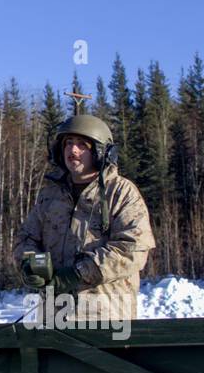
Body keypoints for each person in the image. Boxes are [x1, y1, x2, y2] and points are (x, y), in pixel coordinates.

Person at [13, 114, 154, 322]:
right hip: (55, 319)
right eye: (68, 143)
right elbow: (25, 239)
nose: (73, 150)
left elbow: (133, 248)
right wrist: (31, 265)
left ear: (100, 152)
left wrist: (78, 273)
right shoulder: (50, 196)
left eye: (82, 145)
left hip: (106, 319)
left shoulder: (121, 193)